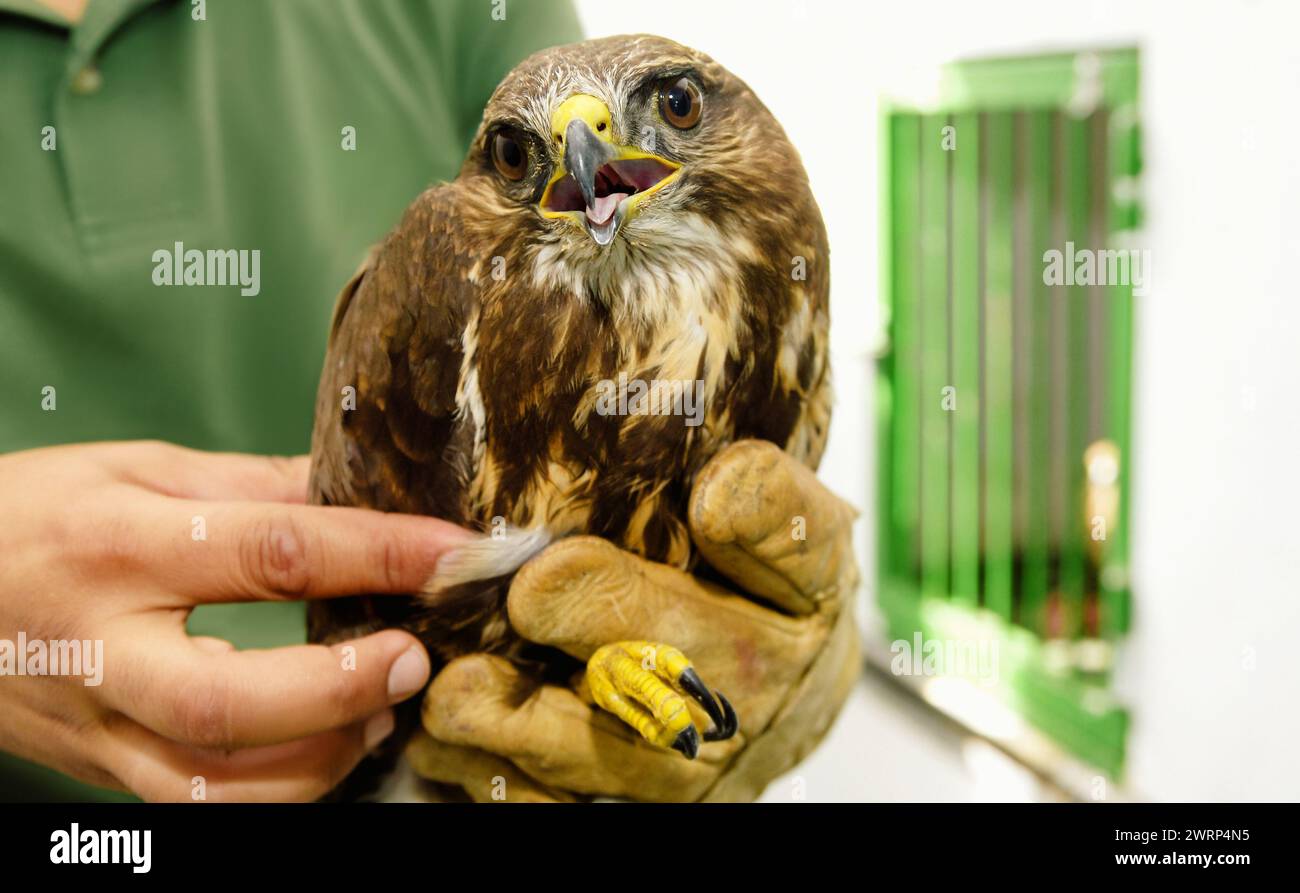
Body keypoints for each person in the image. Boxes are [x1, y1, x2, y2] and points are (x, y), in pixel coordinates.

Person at [0, 0, 858, 803]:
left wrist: (793, 642)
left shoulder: (763, 274)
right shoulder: (449, 256)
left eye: (672, 106)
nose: (589, 153)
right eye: (520, 156)